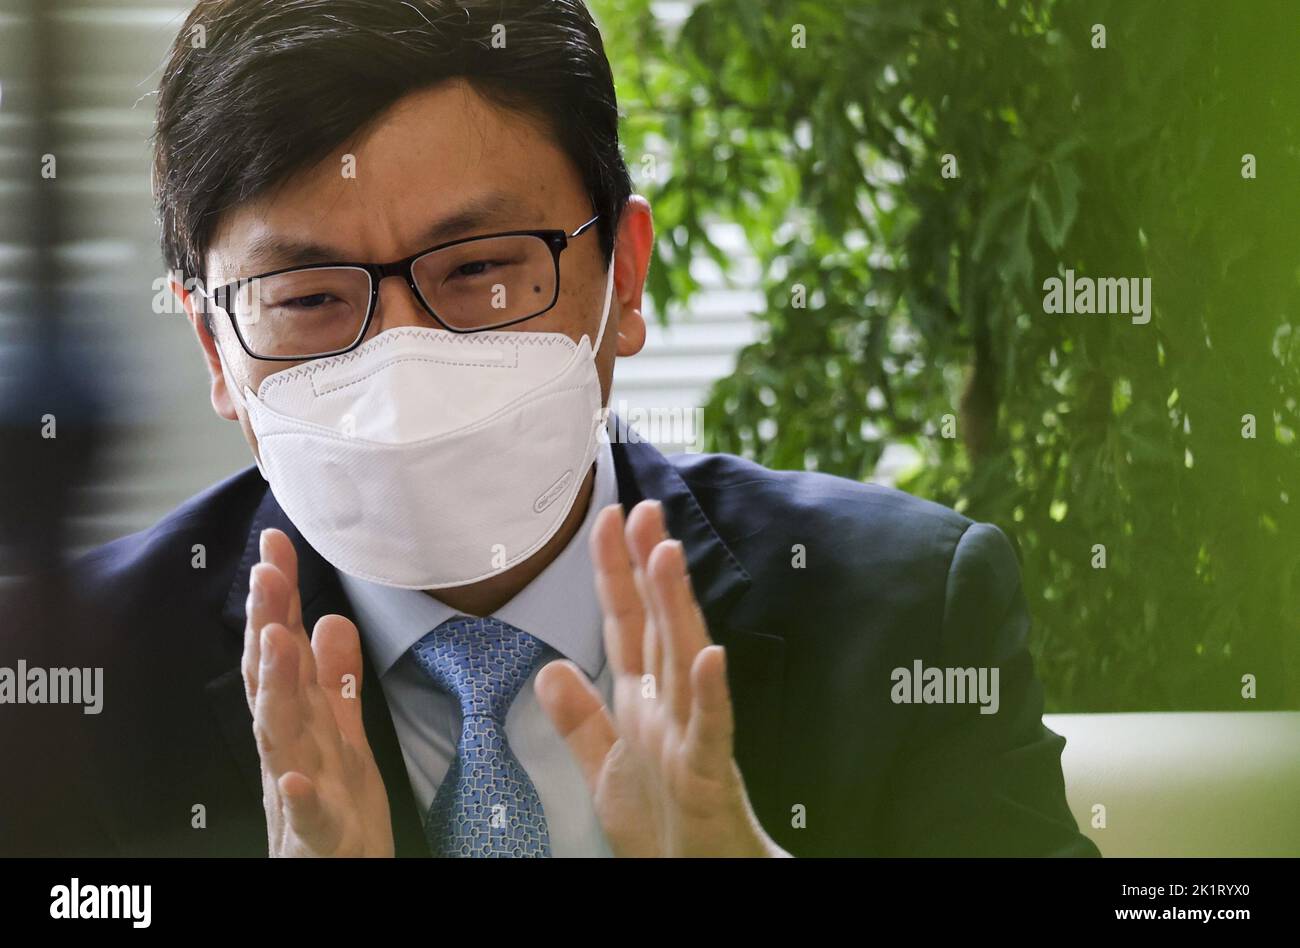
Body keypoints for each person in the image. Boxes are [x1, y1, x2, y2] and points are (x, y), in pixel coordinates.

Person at [27, 0, 1098, 857]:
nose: (400, 366)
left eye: (482, 270)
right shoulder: (69, 686)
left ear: (623, 276)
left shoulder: (904, 610)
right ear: (215, 349)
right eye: (308, 298)